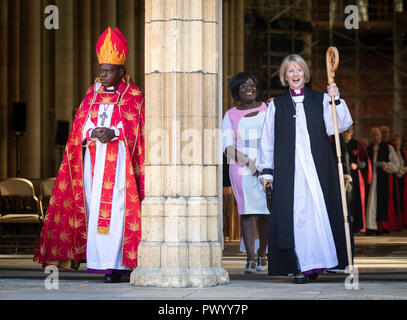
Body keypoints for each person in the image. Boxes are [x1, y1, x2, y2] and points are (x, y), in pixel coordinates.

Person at [34, 27, 145, 283]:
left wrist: (114, 132)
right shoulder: (91, 95)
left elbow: (137, 129)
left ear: (120, 70)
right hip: (94, 164)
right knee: (95, 210)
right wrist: (93, 130)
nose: (103, 75)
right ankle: (100, 263)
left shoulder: (134, 96)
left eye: (108, 71)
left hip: (120, 167)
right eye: (101, 70)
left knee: (118, 211)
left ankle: (120, 265)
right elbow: (79, 127)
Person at [257, 54, 353, 284]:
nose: (295, 74)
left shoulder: (319, 99)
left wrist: (335, 99)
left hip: (318, 169)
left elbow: (339, 125)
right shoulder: (276, 106)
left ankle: (320, 262)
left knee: (319, 214)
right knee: (296, 217)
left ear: (305, 74)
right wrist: (266, 172)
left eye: (299, 70)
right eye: (290, 70)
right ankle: (299, 267)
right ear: (284, 76)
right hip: (290, 172)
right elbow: (267, 141)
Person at [223, 72, 269, 274]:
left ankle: (263, 253)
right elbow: (227, 147)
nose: (249, 88)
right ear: (236, 91)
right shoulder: (230, 114)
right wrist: (249, 162)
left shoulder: (268, 109)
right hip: (241, 166)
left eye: (252, 84)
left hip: (267, 165)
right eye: (243, 86)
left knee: (266, 212)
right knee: (248, 211)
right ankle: (250, 257)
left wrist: (264, 163)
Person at [365, 127, 399, 235]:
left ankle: (381, 227)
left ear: (380, 136)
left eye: (377, 135)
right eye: (373, 135)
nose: (375, 137)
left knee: (381, 203)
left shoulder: (388, 148)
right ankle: (370, 227)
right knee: (369, 203)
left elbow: (396, 165)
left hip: (382, 180)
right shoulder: (367, 149)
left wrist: (385, 165)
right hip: (370, 181)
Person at [342, 126, 372, 233]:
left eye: (348, 132)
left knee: (356, 201)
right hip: (343, 177)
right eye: (344, 132)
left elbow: (365, 163)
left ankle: (357, 226)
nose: (346, 134)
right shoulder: (339, 144)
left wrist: (356, 165)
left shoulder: (357, 144)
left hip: (356, 178)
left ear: (352, 133)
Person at [392, 135, 407, 228]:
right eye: (394, 140)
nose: (396, 142)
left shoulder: (403, 153)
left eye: (397, 140)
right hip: (395, 179)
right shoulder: (393, 151)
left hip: (403, 179)